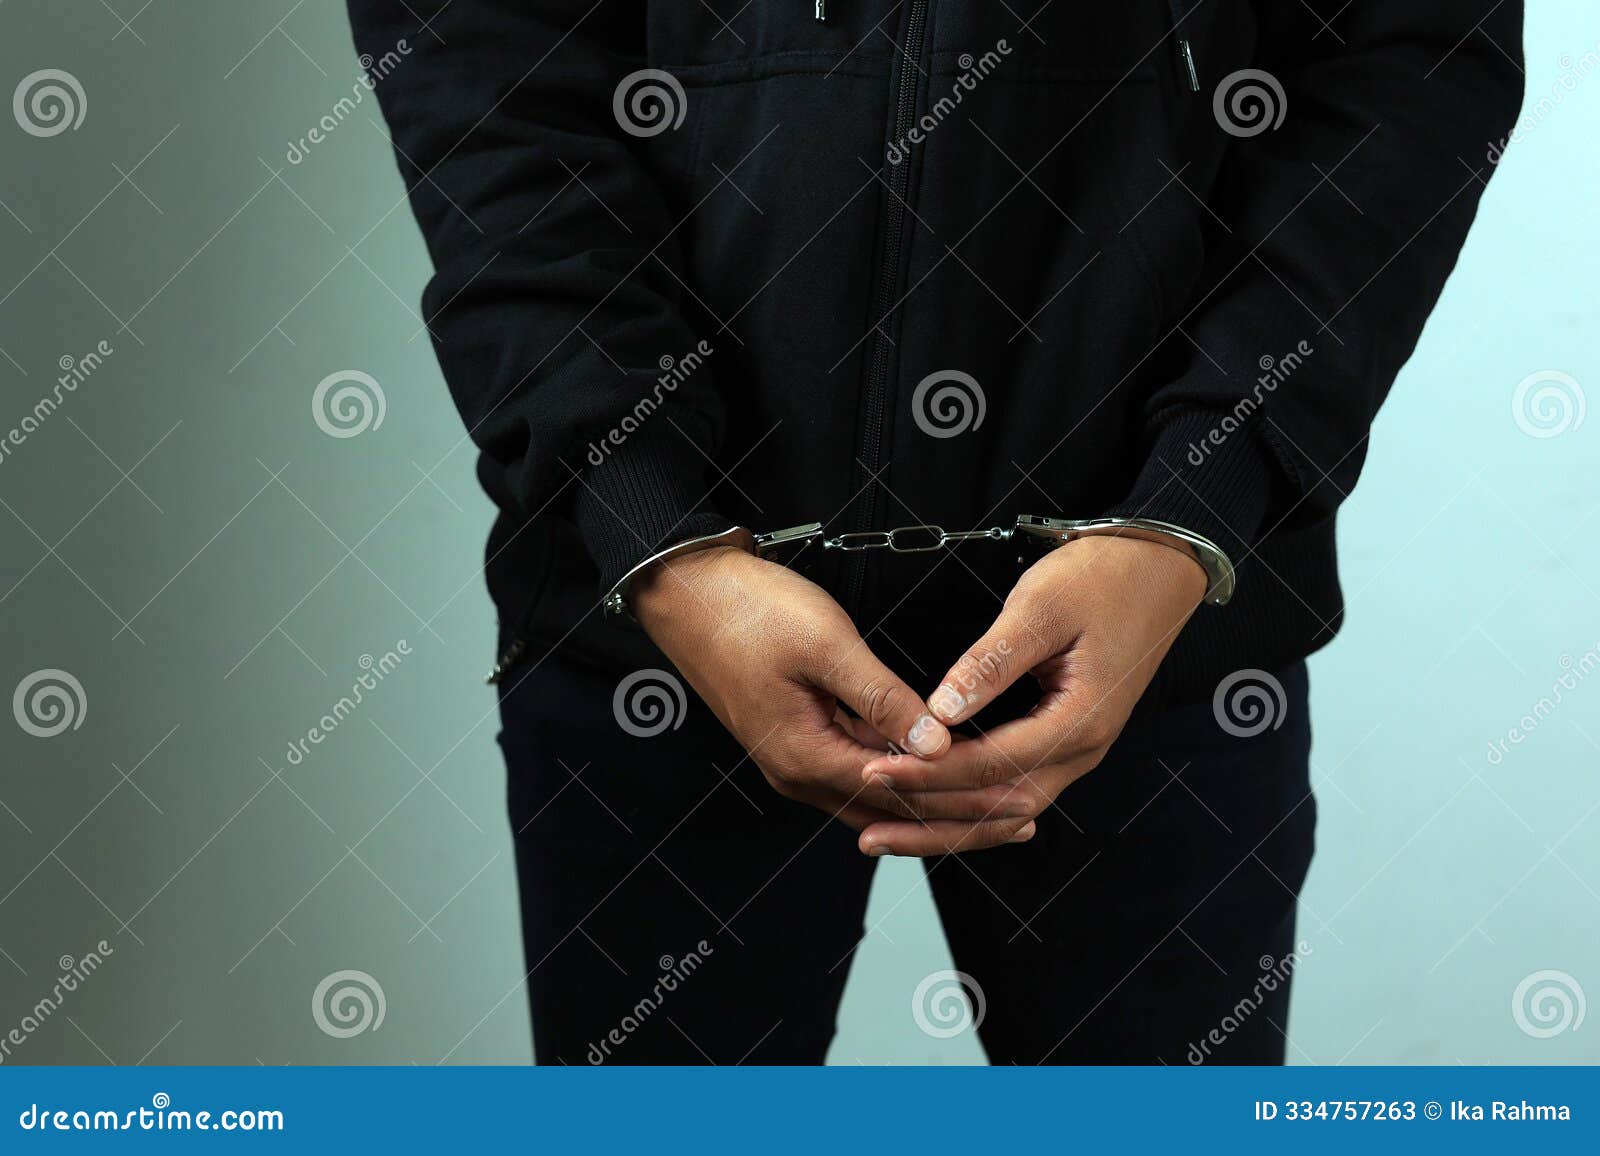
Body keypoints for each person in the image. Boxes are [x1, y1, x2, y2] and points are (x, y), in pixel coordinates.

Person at [350, 1, 1523, 1063]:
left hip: (1154, 635)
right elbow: (487, 72)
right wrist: (650, 521)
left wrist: (1192, 510)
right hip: (663, 633)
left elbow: (1414, 64)